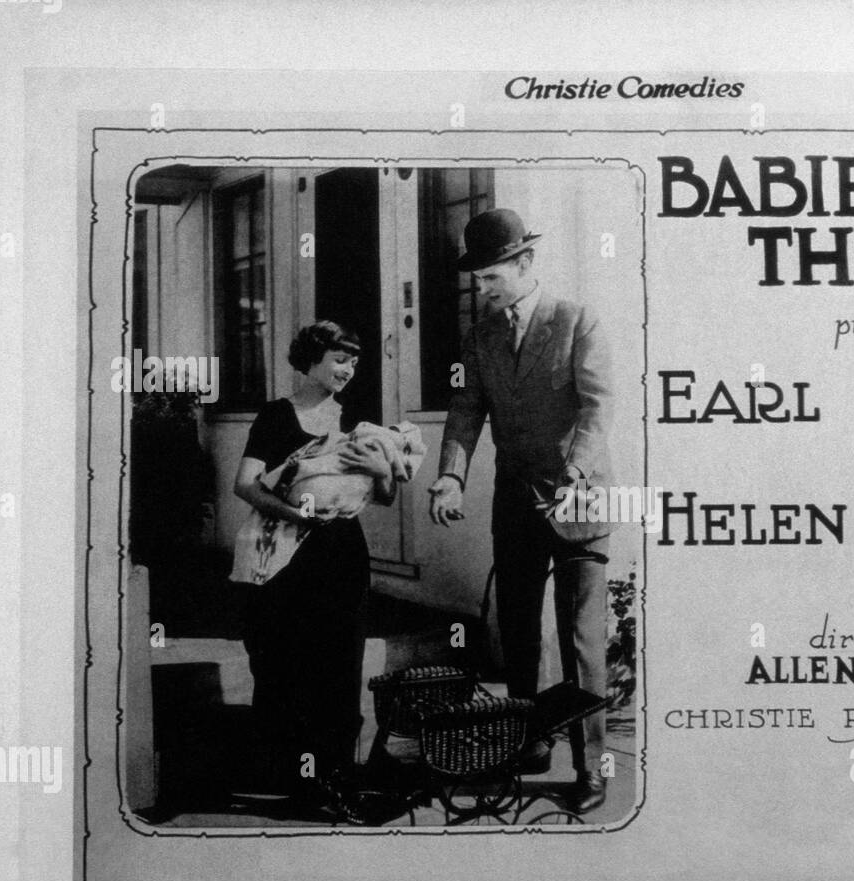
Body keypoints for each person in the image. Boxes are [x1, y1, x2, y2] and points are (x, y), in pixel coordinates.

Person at [428, 209, 614, 815]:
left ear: (525, 264)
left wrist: (576, 471)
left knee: (582, 638)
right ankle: (531, 741)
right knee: (520, 632)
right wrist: (450, 477)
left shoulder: (576, 319)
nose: (482, 291)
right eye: (476, 281)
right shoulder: (480, 336)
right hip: (514, 500)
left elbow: (596, 407)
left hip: (578, 496)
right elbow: (465, 409)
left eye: (491, 278)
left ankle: (590, 770)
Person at [231, 321, 401, 818]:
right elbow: (245, 484)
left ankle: (335, 778)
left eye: (353, 361)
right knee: (286, 665)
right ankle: (291, 780)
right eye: (338, 359)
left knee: (341, 665)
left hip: (342, 551)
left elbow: (386, 495)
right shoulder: (277, 416)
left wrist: (381, 465)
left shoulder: (358, 421)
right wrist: (297, 514)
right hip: (287, 556)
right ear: (309, 361)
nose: (347, 370)